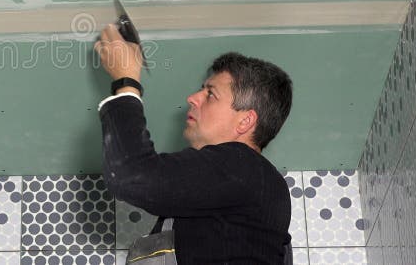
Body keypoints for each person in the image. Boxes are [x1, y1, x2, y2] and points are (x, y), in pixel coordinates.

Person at [93, 24, 293, 264]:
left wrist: (126, 82)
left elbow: (130, 175)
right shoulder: (236, 196)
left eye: (210, 94)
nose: (192, 98)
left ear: (245, 121)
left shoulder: (245, 167)